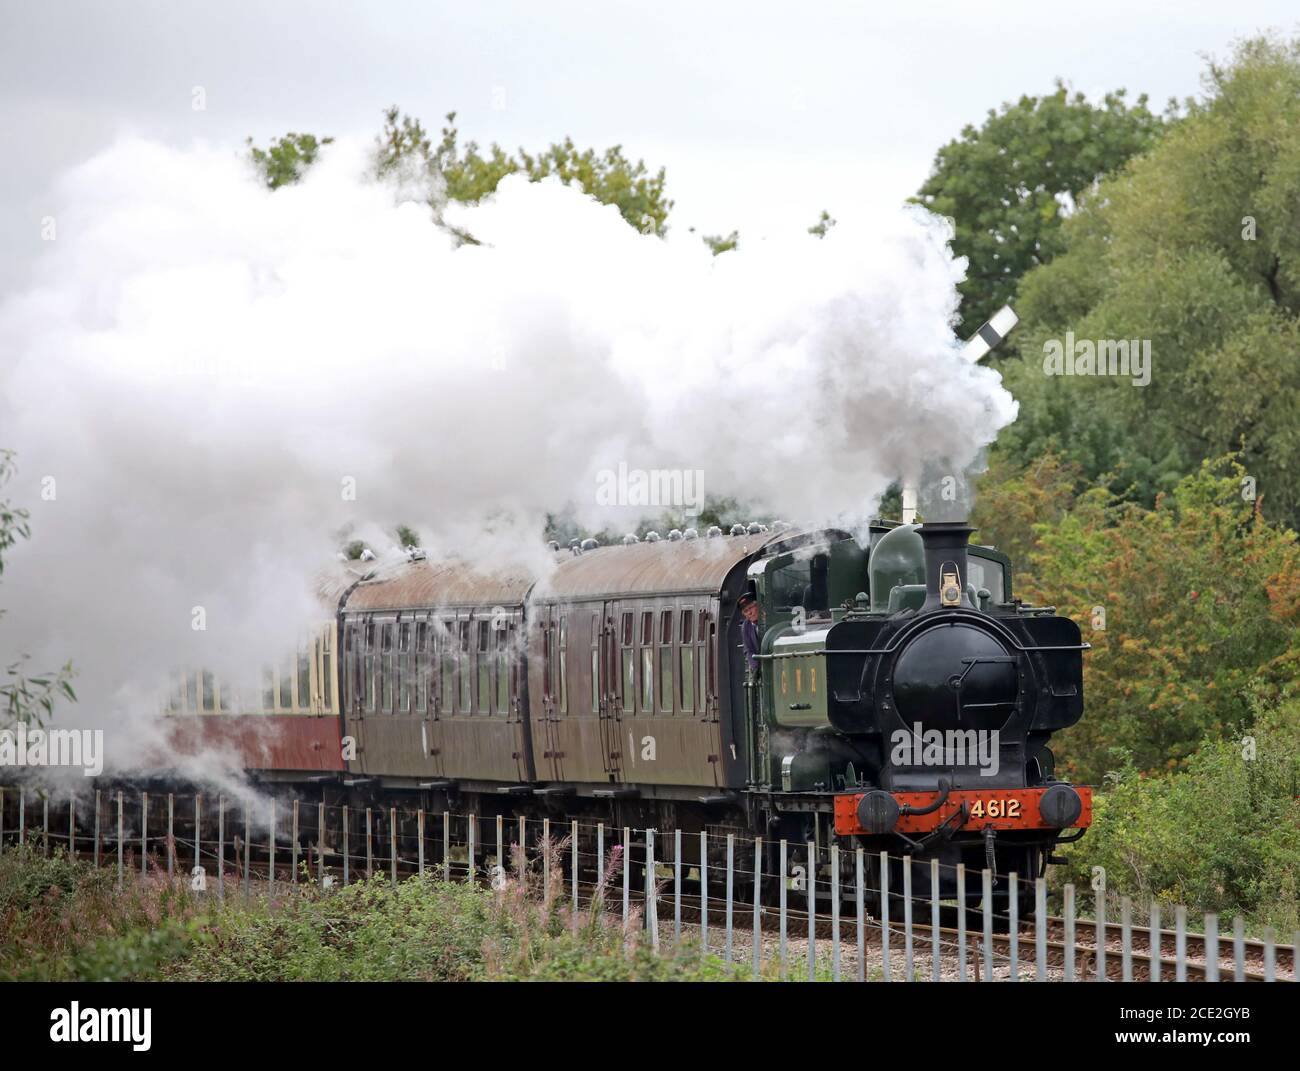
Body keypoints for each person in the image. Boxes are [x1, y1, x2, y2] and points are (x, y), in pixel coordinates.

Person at [739, 592, 762, 677]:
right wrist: (755, 667)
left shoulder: (767, 619)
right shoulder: (746, 626)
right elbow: (748, 650)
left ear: (758, 606)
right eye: (746, 611)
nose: (749, 613)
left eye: (750, 608)